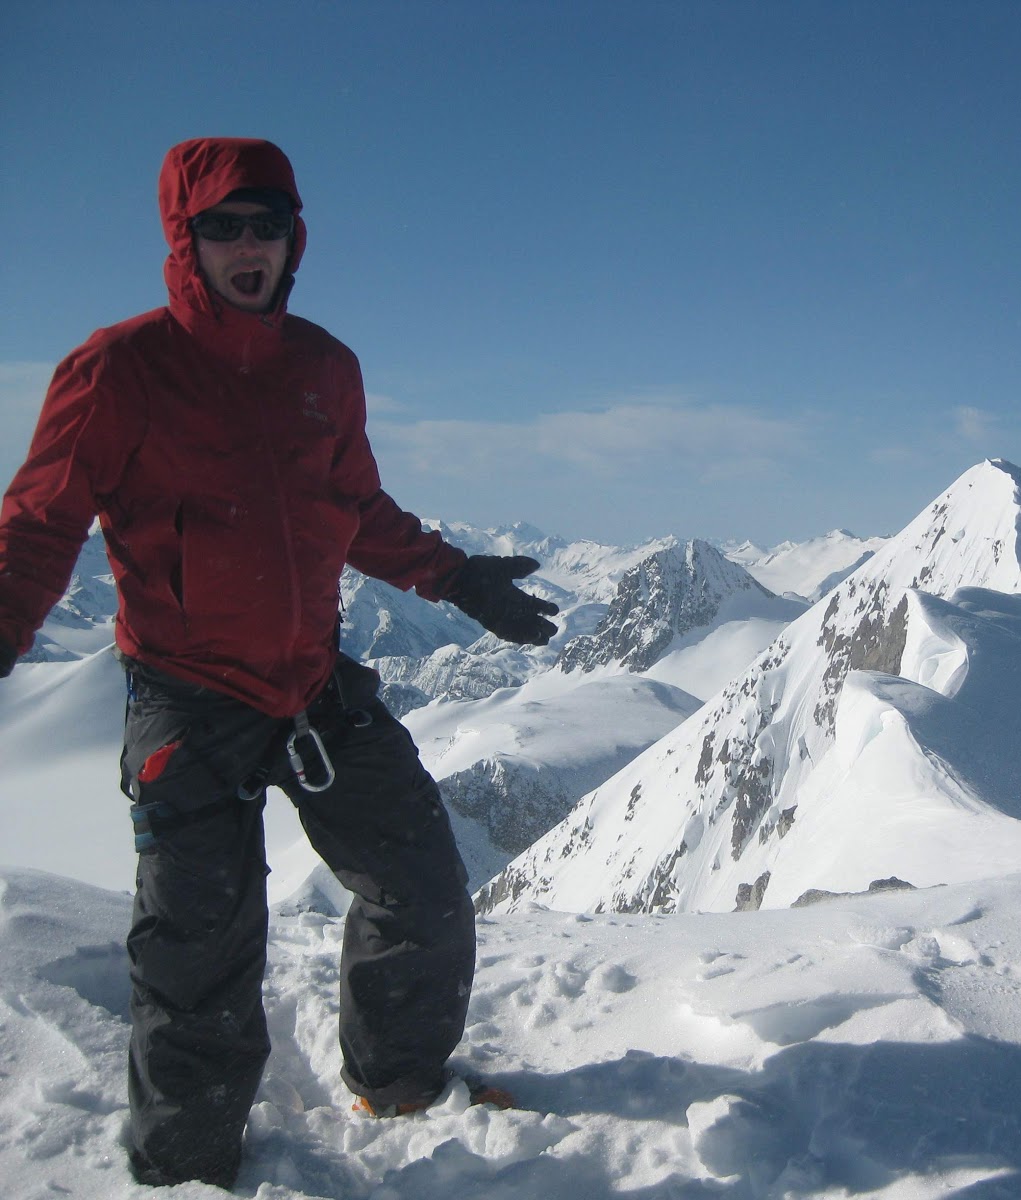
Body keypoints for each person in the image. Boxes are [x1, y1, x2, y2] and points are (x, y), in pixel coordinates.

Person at [0, 137, 560, 1188]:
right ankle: (188, 1163)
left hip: (311, 684)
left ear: (294, 240)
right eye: (225, 227)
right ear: (187, 239)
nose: (249, 247)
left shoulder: (323, 369)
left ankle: (394, 1081)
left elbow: (355, 510)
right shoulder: (117, 371)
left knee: (422, 886)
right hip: (186, 693)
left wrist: (458, 579)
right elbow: (39, 525)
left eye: (268, 226)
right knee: (198, 948)